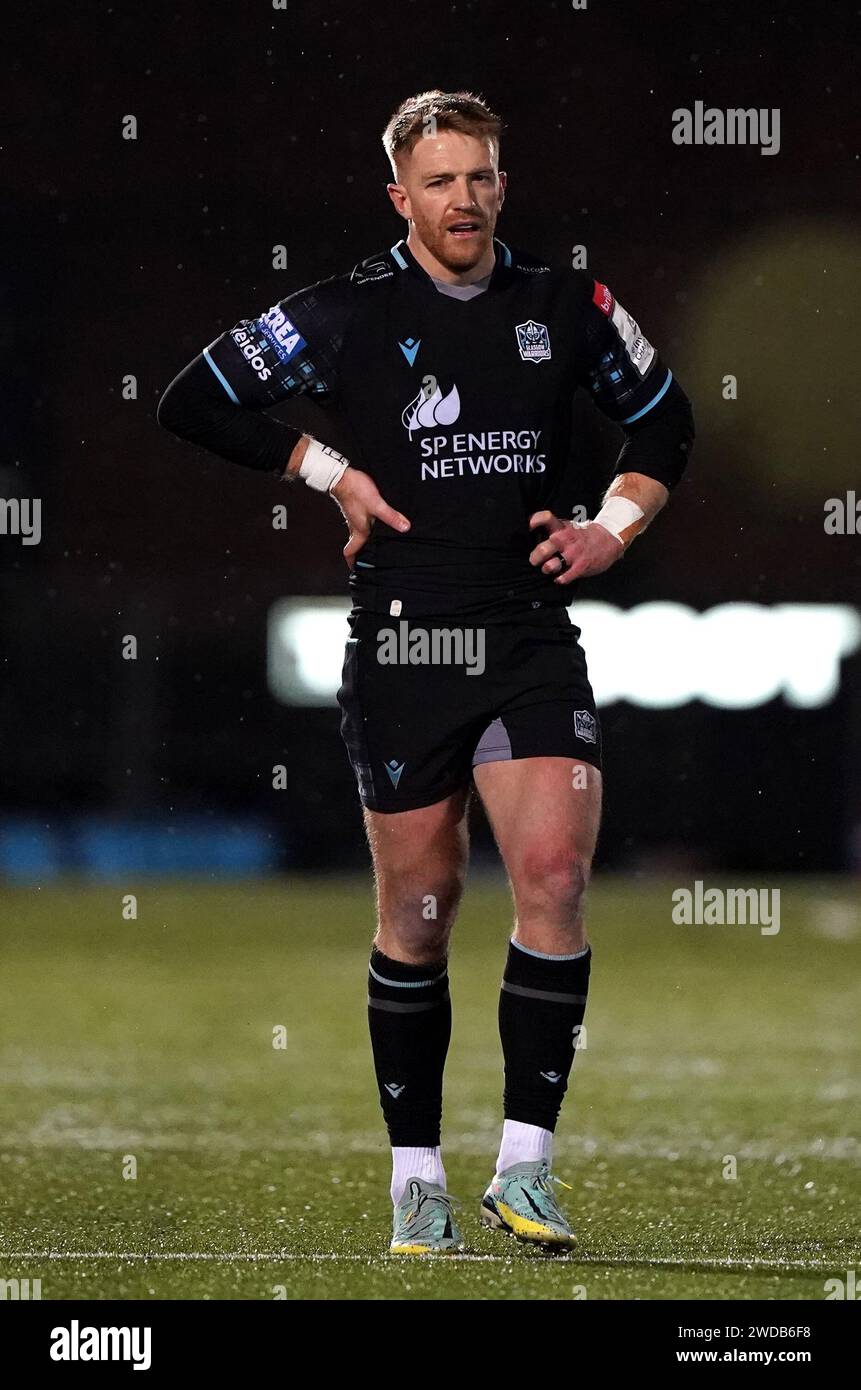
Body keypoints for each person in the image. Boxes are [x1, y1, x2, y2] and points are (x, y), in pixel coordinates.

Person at [157, 89, 695, 1255]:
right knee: (421, 909)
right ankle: (416, 1179)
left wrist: (613, 528)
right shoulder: (342, 310)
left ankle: (527, 1168)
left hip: (530, 630)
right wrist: (329, 470)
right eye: (441, 180)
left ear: (504, 184)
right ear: (399, 196)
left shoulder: (569, 303)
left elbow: (666, 424)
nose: (466, 199)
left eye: (483, 176)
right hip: (406, 640)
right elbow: (191, 398)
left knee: (552, 876)